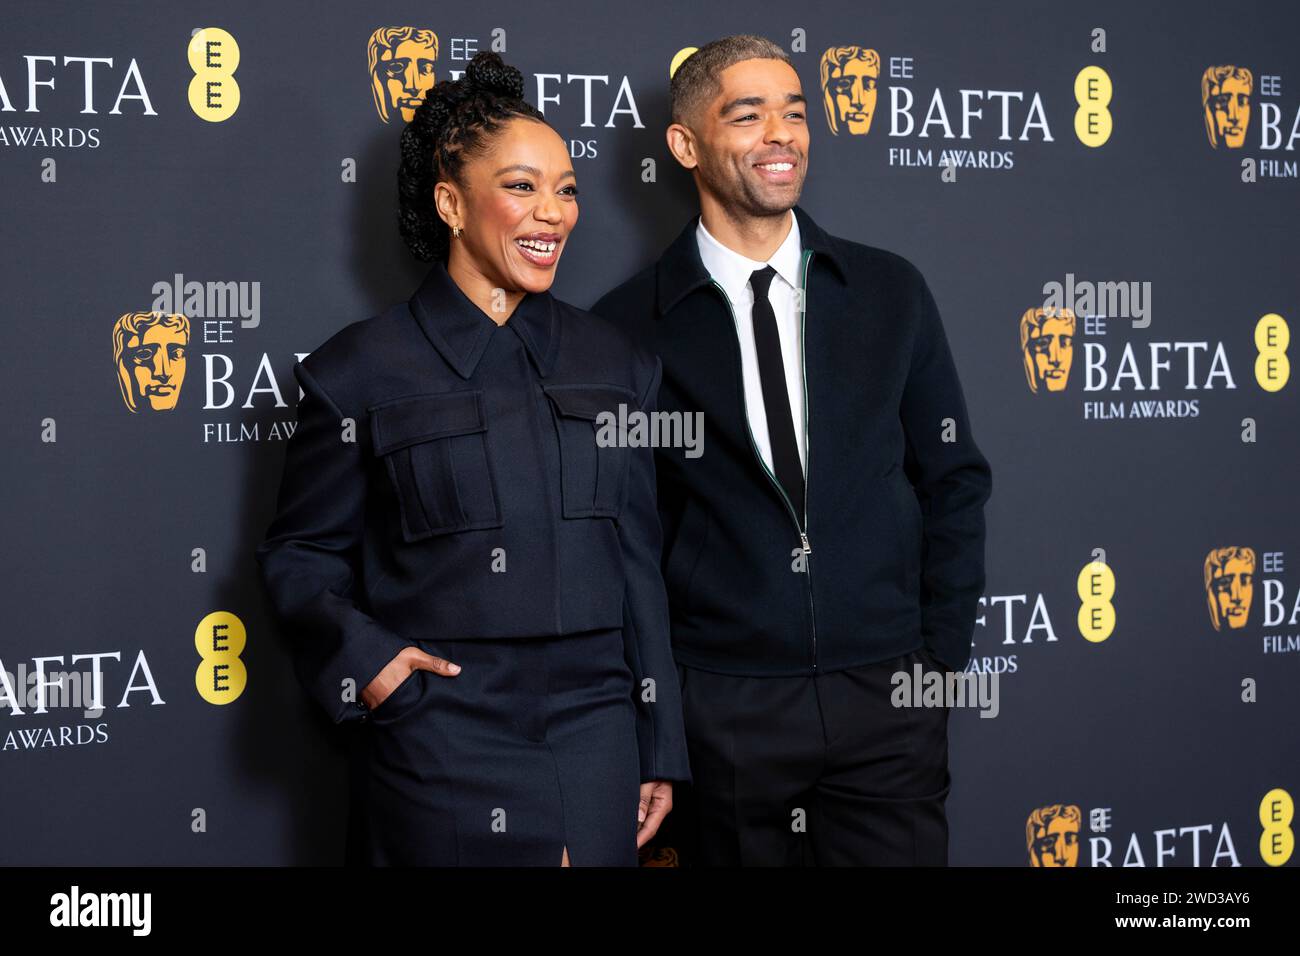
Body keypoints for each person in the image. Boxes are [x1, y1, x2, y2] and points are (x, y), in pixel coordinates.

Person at [254, 51, 689, 866]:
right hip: (441, 735)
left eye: (566, 188)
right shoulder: (358, 370)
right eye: (522, 186)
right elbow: (301, 555)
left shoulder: (620, 364)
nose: (552, 213)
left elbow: (638, 563)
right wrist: (374, 666)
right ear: (452, 203)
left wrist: (659, 738)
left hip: (596, 731)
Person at [591, 35, 992, 866]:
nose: (783, 133)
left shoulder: (888, 291)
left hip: (887, 699)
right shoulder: (626, 328)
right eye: (749, 114)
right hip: (724, 710)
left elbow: (953, 478)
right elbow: (622, 535)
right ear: (686, 145)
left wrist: (937, 664)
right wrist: (675, 708)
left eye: (796, 112)